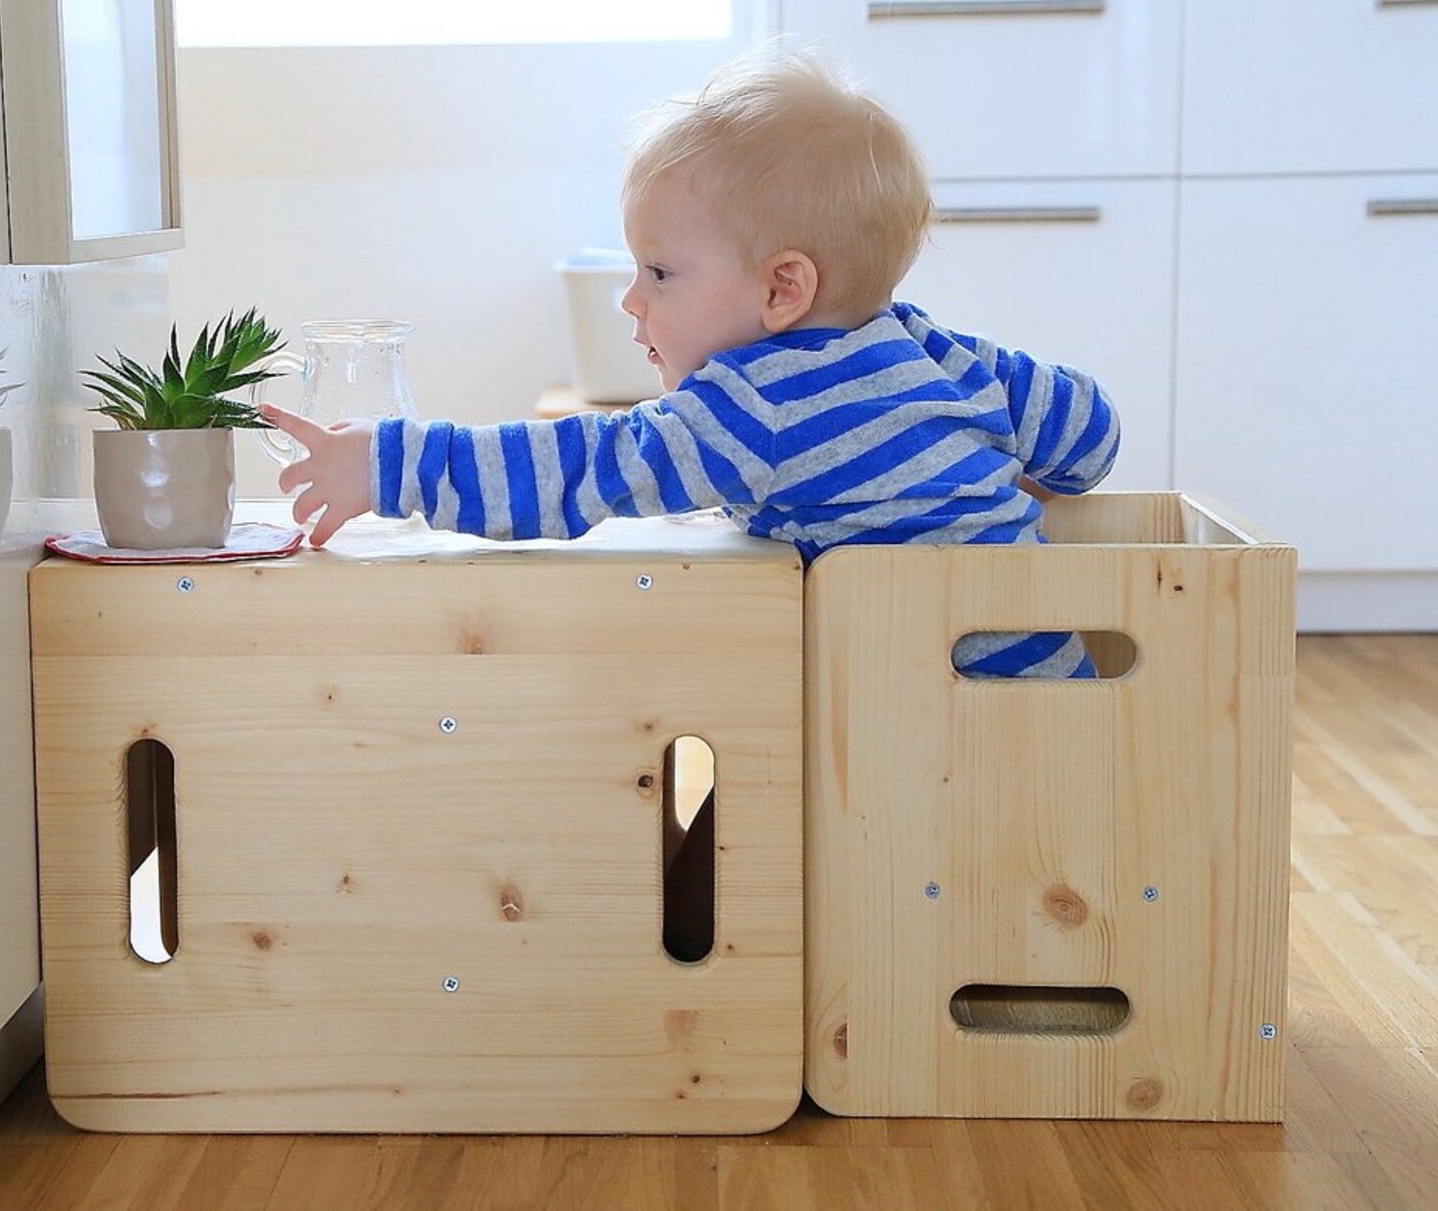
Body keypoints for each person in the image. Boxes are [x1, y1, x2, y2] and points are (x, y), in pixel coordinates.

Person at [261, 47, 1120, 953]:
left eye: (661, 274)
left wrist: (388, 463)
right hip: (1064, 715)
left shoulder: (754, 408)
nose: (631, 301)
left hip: (929, 752)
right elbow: (1089, 441)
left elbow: (581, 470)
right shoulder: (939, 349)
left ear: (784, 289)